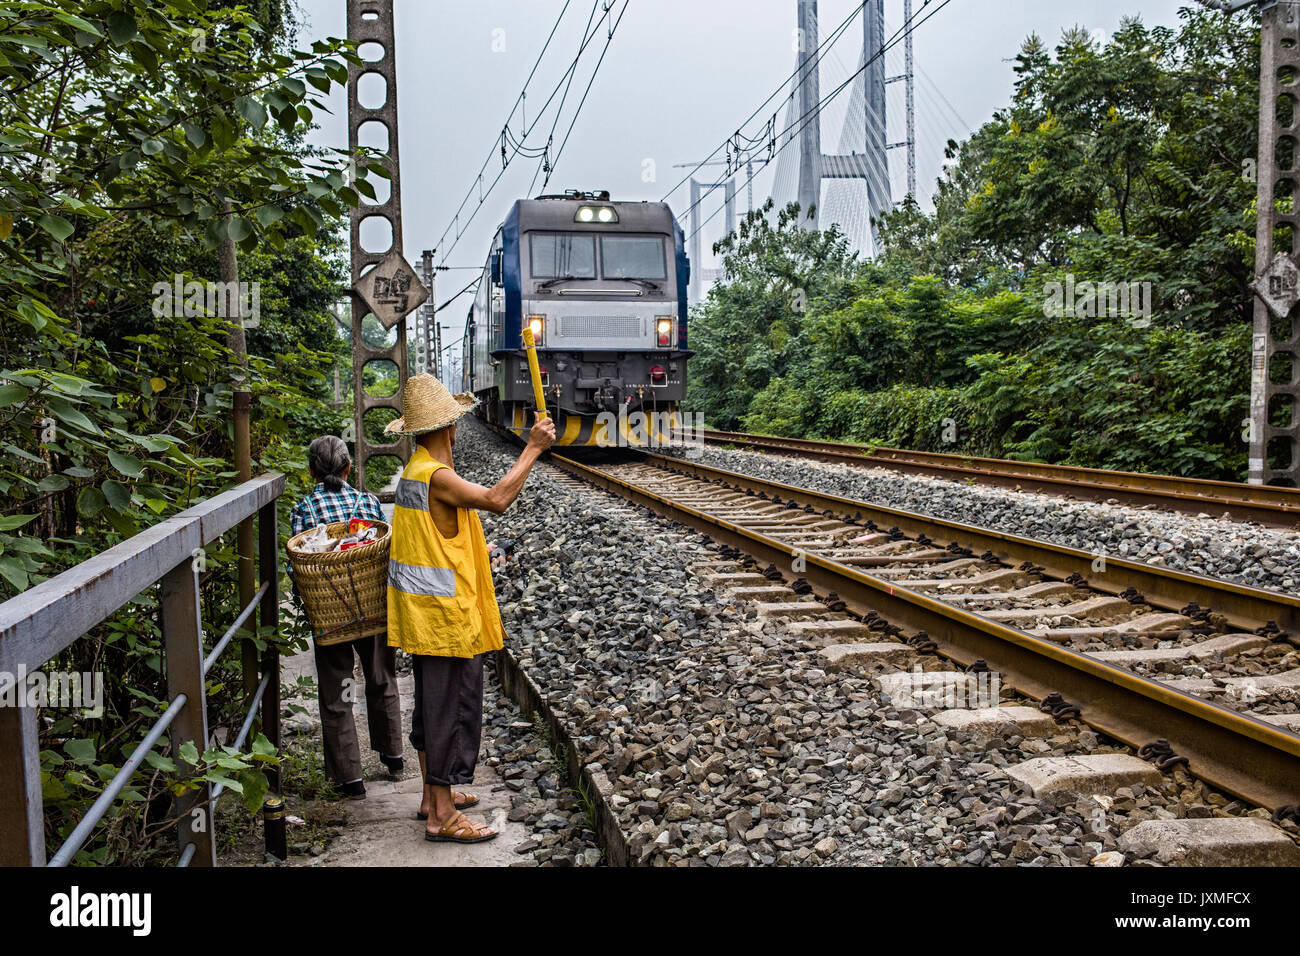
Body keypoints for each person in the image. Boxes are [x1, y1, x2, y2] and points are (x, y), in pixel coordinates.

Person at [384, 374, 555, 844]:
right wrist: (533, 448)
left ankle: (430, 798)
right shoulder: (438, 477)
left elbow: (442, 535)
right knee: (452, 714)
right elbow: (497, 499)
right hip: (447, 620)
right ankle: (443, 817)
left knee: (431, 711)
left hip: (421, 615)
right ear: (450, 427)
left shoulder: (416, 470)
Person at [290, 435, 405, 800]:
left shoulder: (303, 509)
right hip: (369, 608)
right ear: (349, 467)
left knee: (337, 691)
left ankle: (349, 778)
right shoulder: (366, 501)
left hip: (330, 614)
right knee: (381, 677)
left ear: (311, 470)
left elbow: (298, 565)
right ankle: (394, 755)